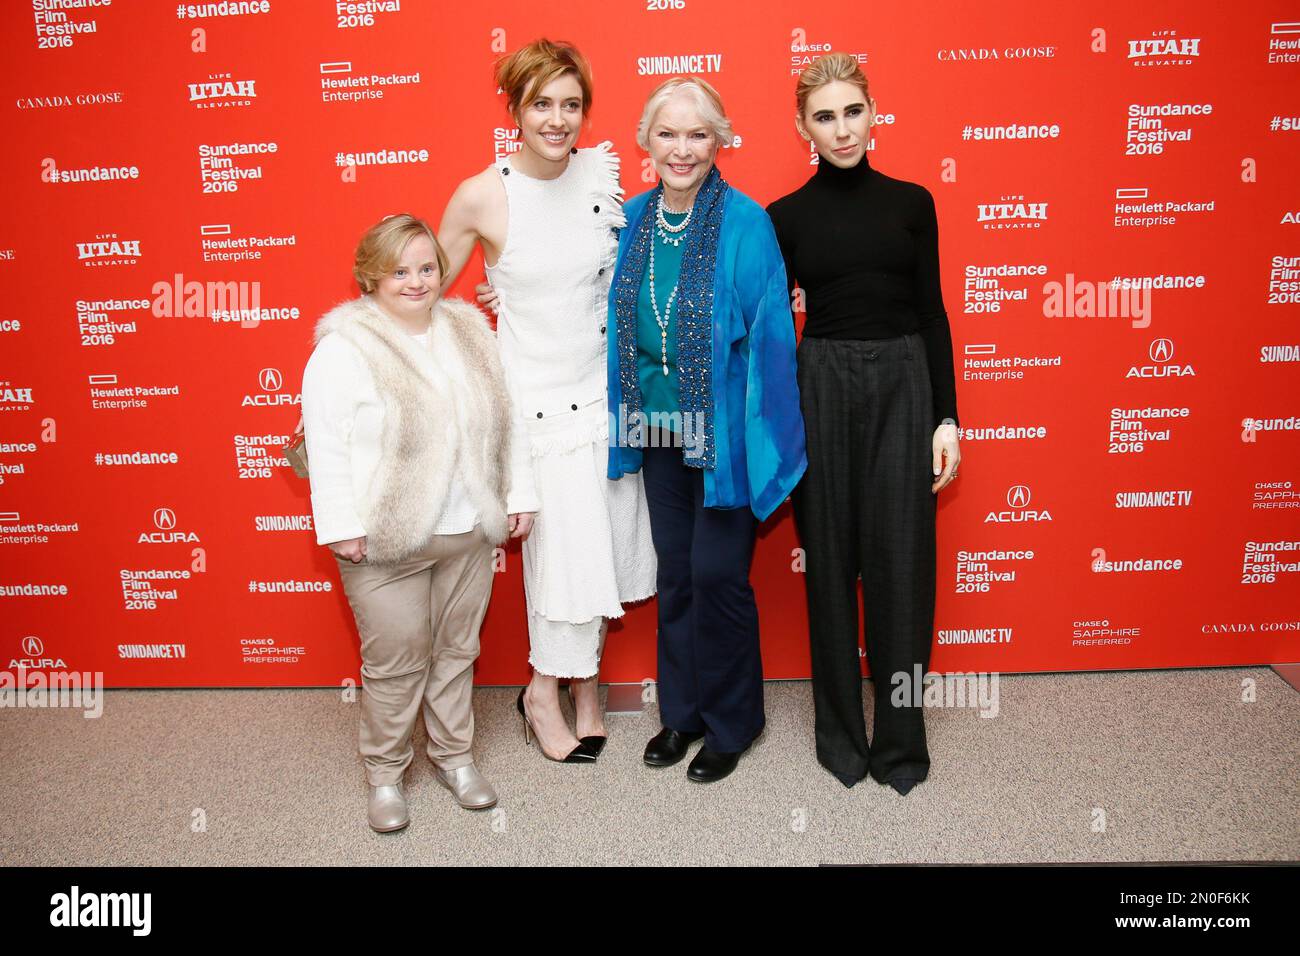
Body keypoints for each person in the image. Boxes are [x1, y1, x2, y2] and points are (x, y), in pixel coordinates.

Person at [438, 39, 656, 763]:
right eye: (542, 104)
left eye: (571, 105)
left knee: (605, 549)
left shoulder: (600, 173)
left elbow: (614, 282)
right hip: (536, 402)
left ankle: (585, 688)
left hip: (605, 394)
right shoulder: (483, 195)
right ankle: (540, 690)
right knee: (561, 557)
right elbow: (418, 288)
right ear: (515, 109)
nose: (558, 120)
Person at [301, 214, 537, 831]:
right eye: (399, 270)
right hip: (382, 540)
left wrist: (519, 491)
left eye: (427, 268)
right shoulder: (343, 347)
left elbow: (505, 418)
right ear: (371, 276)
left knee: (458, 651)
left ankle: (455, 759)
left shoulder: (467, 330)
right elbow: (326, 444)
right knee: (397, 660)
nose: (416, 281)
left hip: (467, 531)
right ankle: (385, 775)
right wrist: (341, 525)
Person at [766, 52, 962, 795]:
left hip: (905, 380)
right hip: (821, 383)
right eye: (825, 116)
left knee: (904, 568)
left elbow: (933, 311)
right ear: (802, 128)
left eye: (853, 112)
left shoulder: (913, 202)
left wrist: (948, 416)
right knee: (830, 568)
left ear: (873, 113)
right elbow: (772, 331)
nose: (841, 129)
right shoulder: (782, 218)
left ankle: (902, 745)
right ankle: (842, 737)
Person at [607, 77, 806, 783]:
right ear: (645, 141)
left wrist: (767, 444)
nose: (682, 149)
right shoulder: (628, 220)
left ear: (719, 139)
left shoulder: (747, 223)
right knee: (678, 577)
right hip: (656, 428)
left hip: (724, 437)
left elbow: (775, 342)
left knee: (720, 578)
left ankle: (732, 722)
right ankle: (682, 715)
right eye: (668, 133)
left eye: (697, 134)